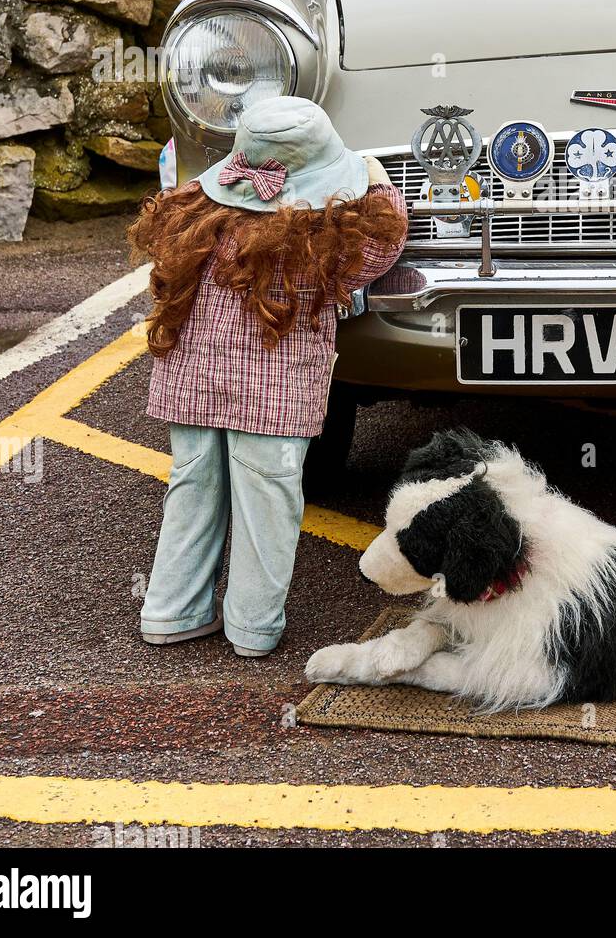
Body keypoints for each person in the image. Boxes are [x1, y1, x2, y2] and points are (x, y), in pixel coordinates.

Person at [128, 97, 407, 657]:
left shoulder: (193, 218)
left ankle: (170, 611)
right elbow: (385, 241)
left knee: (192, 494)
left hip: (191, 386)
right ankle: (253, 628)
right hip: (272, 398)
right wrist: (374, 181)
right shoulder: (323, 242)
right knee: (266, 506)